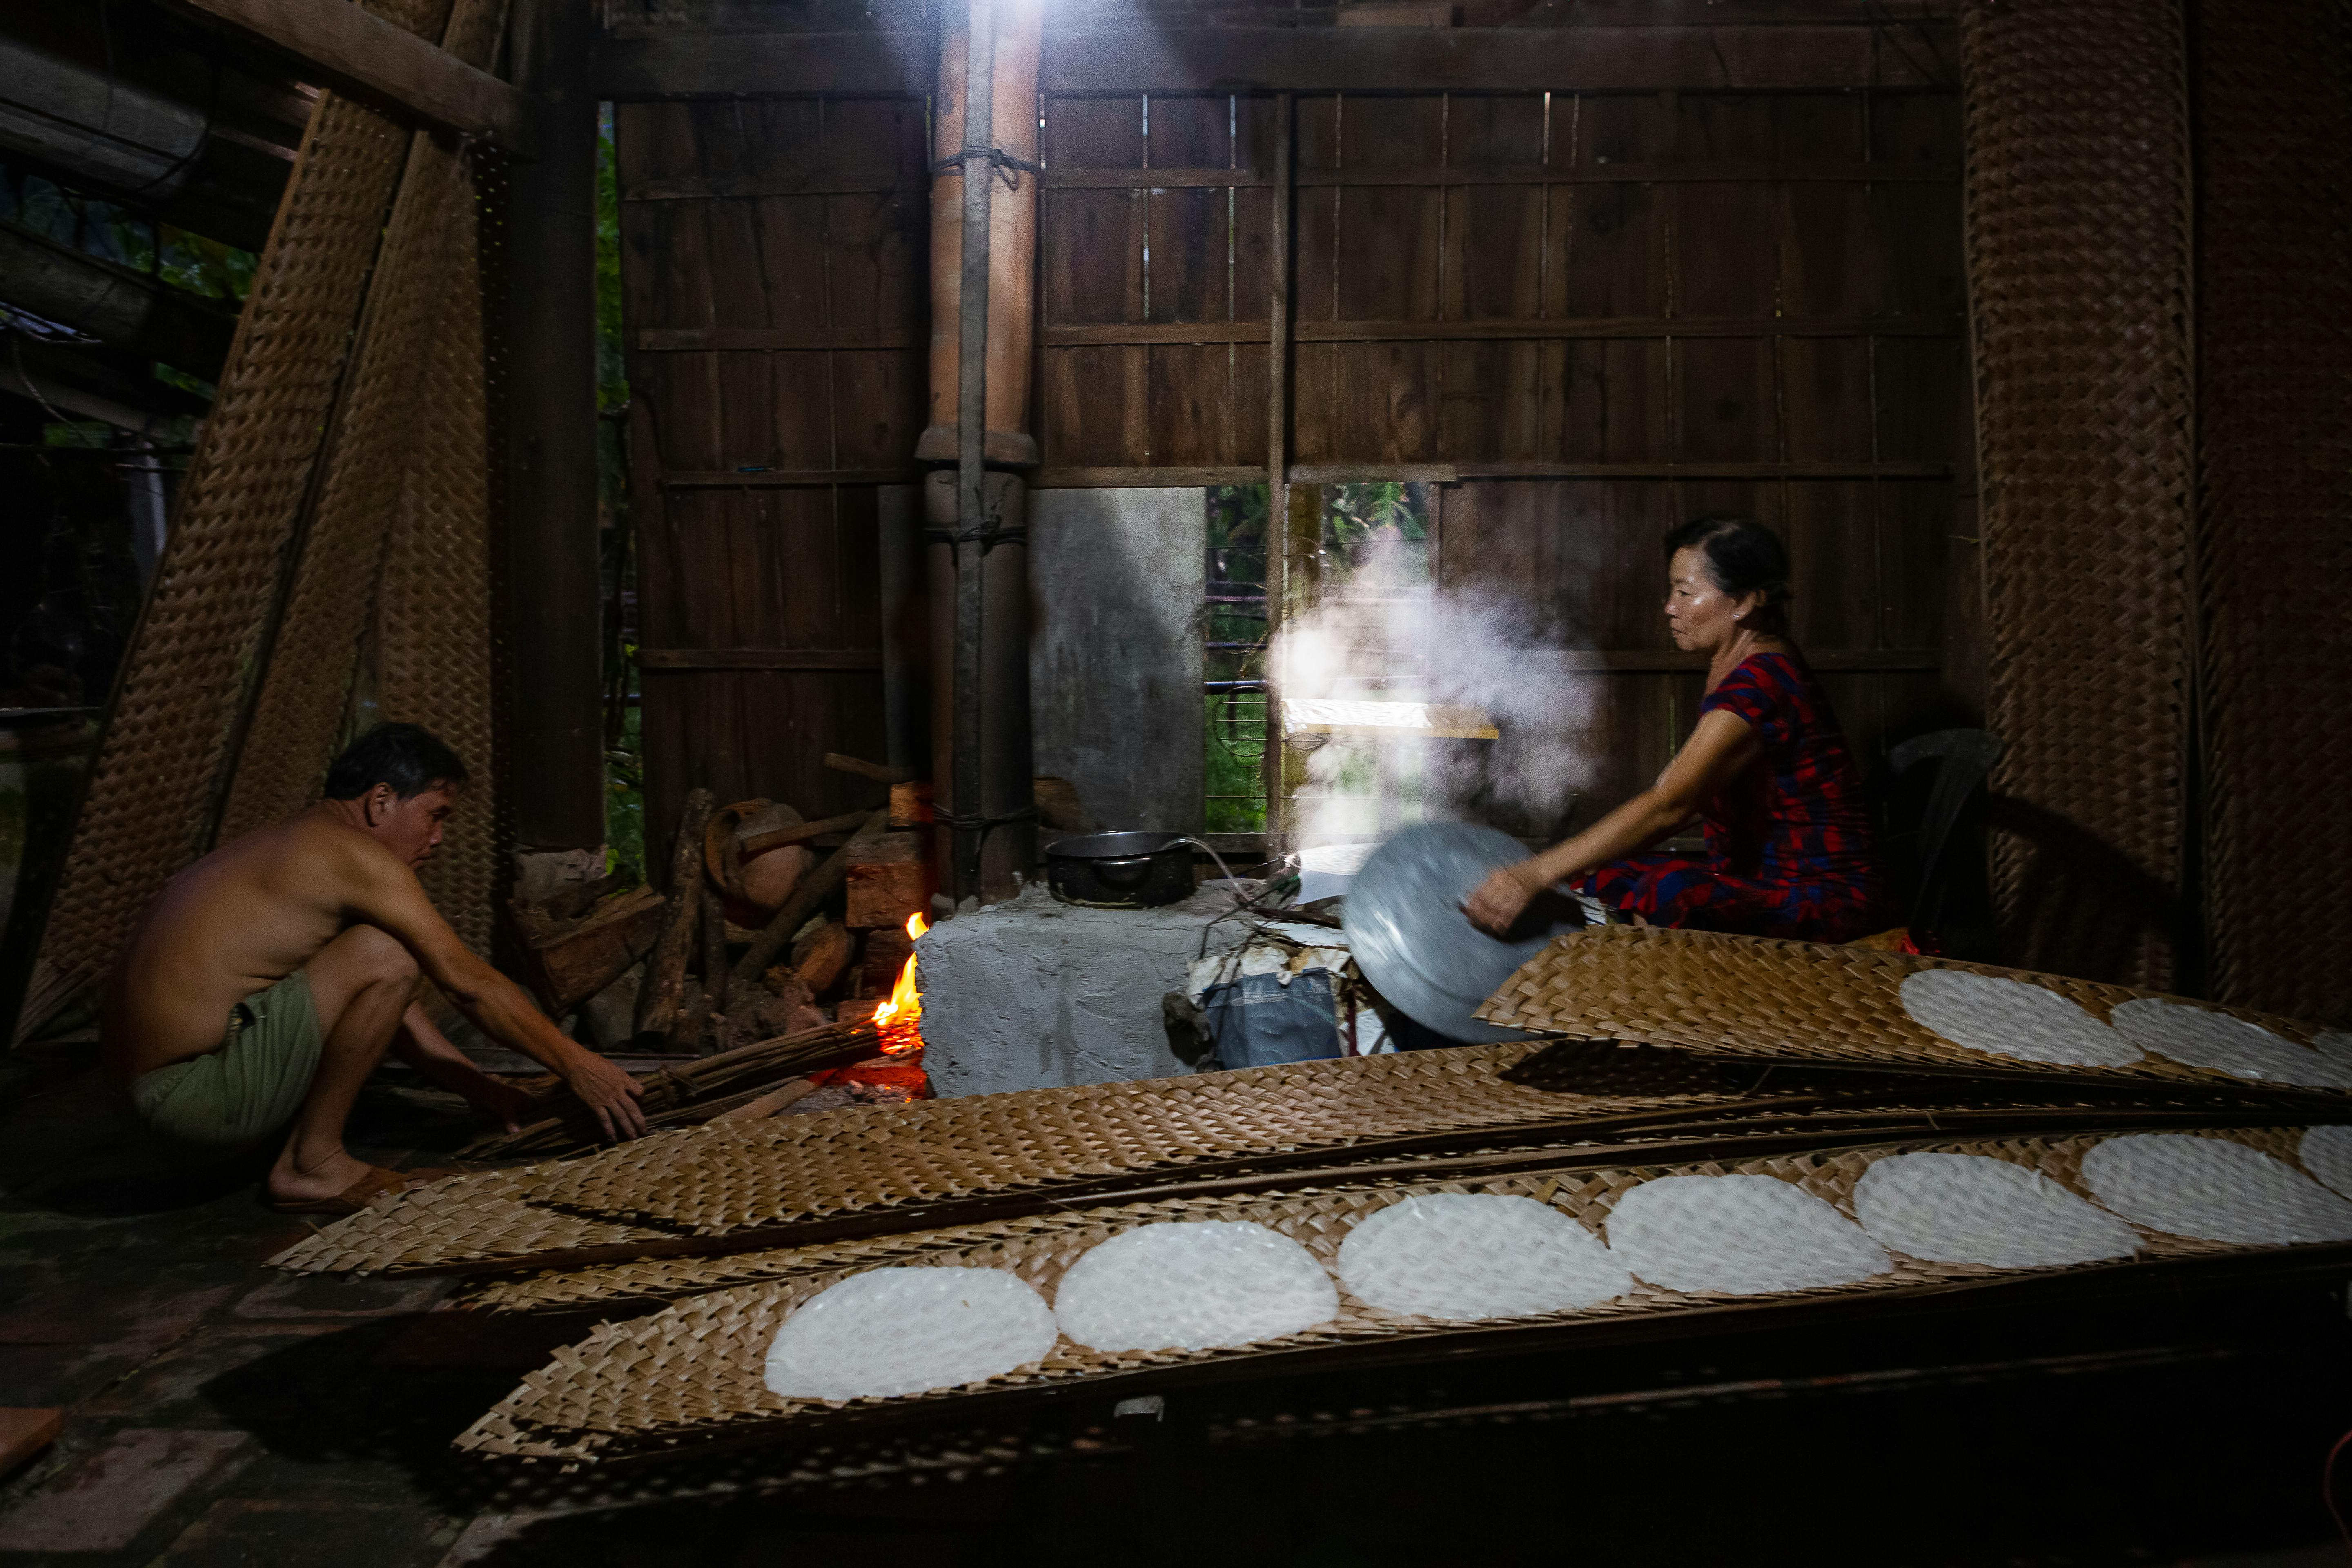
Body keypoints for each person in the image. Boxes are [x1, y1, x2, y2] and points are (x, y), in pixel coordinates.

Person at [102, 723, 648, 1213]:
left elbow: (385, 1003)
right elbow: (468, 983)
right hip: (193, 1101)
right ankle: (311, 1166)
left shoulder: (294, 844)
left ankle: (301, 1153)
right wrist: (581, 1066)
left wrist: (481, 1091)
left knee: (378, 956)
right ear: (381, 800)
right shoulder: (349, 855)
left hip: (140, 1115)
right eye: (436, 815)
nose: (438, 839)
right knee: (387, 954)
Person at [1465, 516, 1886, 945]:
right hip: (1764, 881)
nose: (1670, 607)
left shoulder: (1764, 681)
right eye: (1673, 591)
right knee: (1608, 877)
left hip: (1827, 899)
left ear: (1742, 602)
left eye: (1685, 593)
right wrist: (1558, 871)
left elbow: (1671, 806)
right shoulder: (1747, 661)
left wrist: (1533, 873)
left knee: (1671, 892)